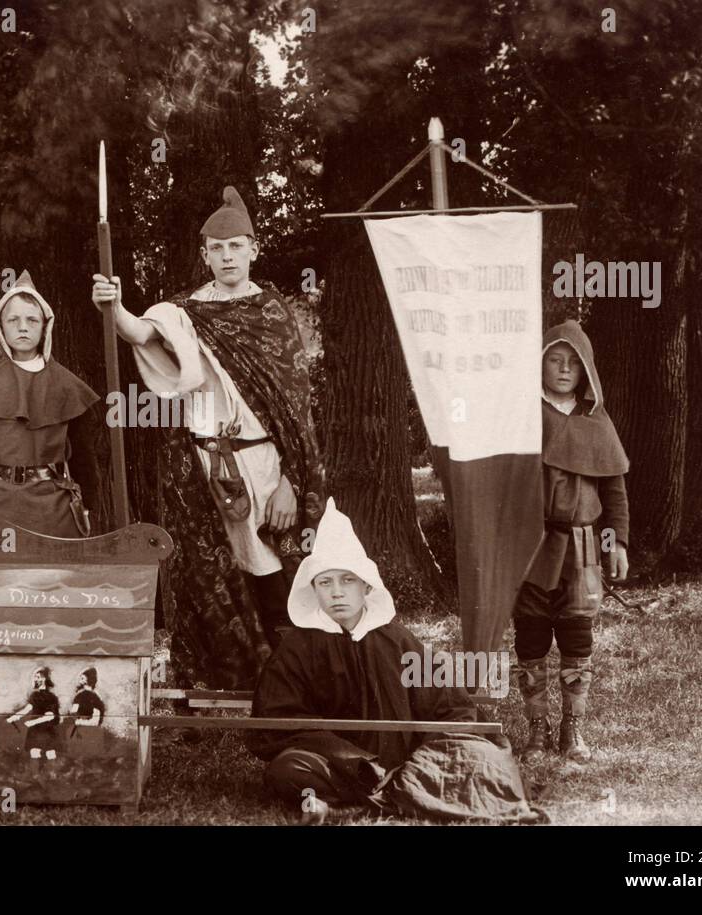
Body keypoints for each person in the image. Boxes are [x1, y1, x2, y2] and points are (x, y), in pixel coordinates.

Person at [90, 186, 324, 690]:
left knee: (278, 568)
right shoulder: (184, 311)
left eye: (236, 246)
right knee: (215, 573)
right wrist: (113, 304)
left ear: (253, 248)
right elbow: (139, 333)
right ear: (204, 255)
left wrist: (289, 481)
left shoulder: (272, 314)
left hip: (264, 466)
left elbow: (295, 416)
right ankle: (233, 676)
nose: (227, 256)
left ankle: (293, 678)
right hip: (205, 467)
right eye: (217, 249)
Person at [246, 499, 539, 825]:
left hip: (410, 757)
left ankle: (357, 804)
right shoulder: (298, 647)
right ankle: (405, 791)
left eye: (347, 580)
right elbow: (278, 720)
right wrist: (350, 757)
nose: (337, 593)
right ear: (313, 589)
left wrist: (448, 743)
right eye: (325, 583)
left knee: (482, 757)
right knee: (288, 770)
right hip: (344, 766)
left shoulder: (396, 640)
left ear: (366, 585)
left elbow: (445, 703)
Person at [515, 320, 629, 763]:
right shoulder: (524, 415)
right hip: (533, 543)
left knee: (578, 634)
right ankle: (537, 730)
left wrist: (616, 542)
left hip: (582, 547)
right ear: (540, 364)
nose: (564, 370)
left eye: (573, 364)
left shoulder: (596, 421)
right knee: (531, 634)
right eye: (555, 361)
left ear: (586, 372)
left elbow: (614, 490)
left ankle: (572, 729)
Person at [0, 270, 99, 537]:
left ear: (44, 327)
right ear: (0, 325)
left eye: (32, 320)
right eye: (13, 320)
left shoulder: (66, 386)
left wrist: (88, 505)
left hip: (53, 509)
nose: (22, 327)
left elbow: (84, 460)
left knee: (53, 578)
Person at [7, 666, 60, 773]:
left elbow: (50, 716)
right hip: (35, 730)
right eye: (35, 677)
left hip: (47, 729)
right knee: (34, 752)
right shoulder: (34, 695)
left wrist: (33, 722)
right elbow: (27, 709)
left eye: (39, 677)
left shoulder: (51, 697)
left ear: (45, 679)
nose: (36, 679)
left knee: (50, 753)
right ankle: (35, 778)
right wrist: (14, 717)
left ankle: (53, 779)